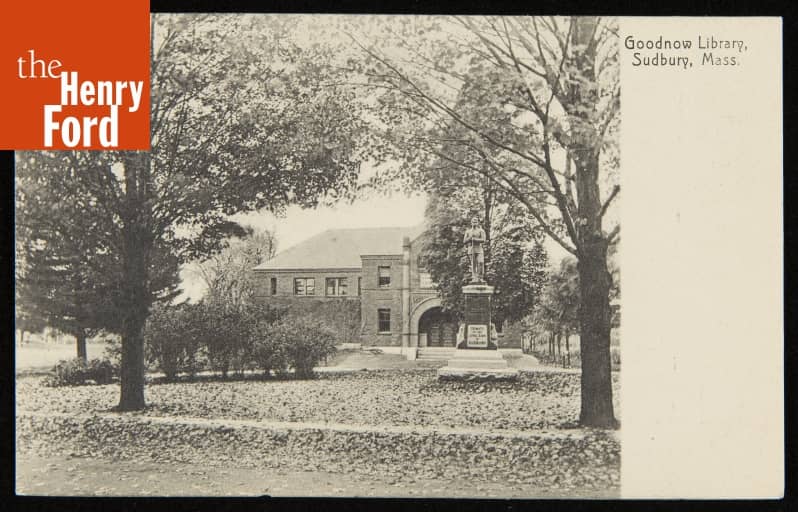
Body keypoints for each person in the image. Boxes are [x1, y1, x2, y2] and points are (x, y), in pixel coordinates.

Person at [463, 216, 486, 282]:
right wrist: (470, 238)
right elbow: (464, 241)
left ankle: (480, 277)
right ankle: (474, 278)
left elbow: (483, 240)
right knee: (473, 264)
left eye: (476, 222)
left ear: (478, 223)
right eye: (473, 222)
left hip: (479, 248)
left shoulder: (481, 231)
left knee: (480, 262)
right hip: (471, 249)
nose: (474, 223)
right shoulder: (468, 231)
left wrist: (475, 239)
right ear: (471, 223)